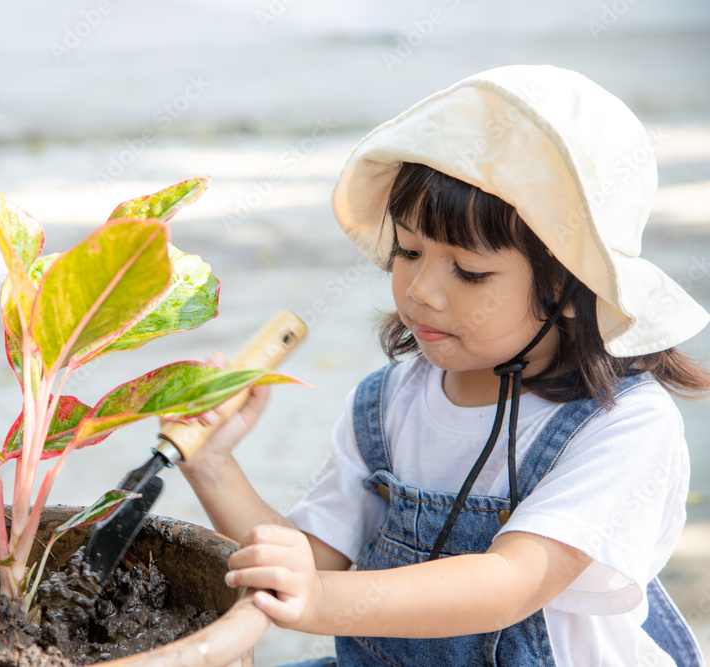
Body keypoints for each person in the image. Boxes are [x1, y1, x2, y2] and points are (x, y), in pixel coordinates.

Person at [179, 65, 710, 666]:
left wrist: (321, 597)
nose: (422, 290)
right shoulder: (388, 404)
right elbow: (313, 560)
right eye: (408, 250)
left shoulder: (625, 426)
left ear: (568, 287)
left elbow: (511, 584)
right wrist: (212, 461)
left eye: (470, 270)